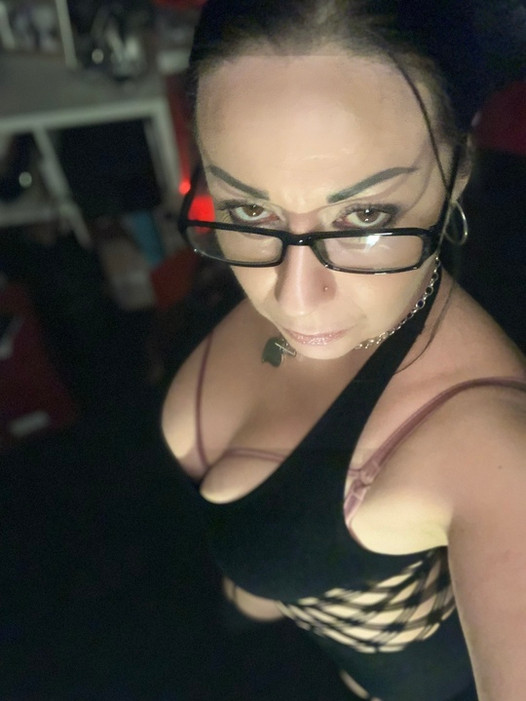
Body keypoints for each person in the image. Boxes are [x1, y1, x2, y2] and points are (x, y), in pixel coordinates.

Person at [161, 1, 526, 698]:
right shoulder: (274, 276)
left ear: (456, 174)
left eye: (365, 216)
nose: (295, 298)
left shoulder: (490, 444)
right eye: (249, 210)